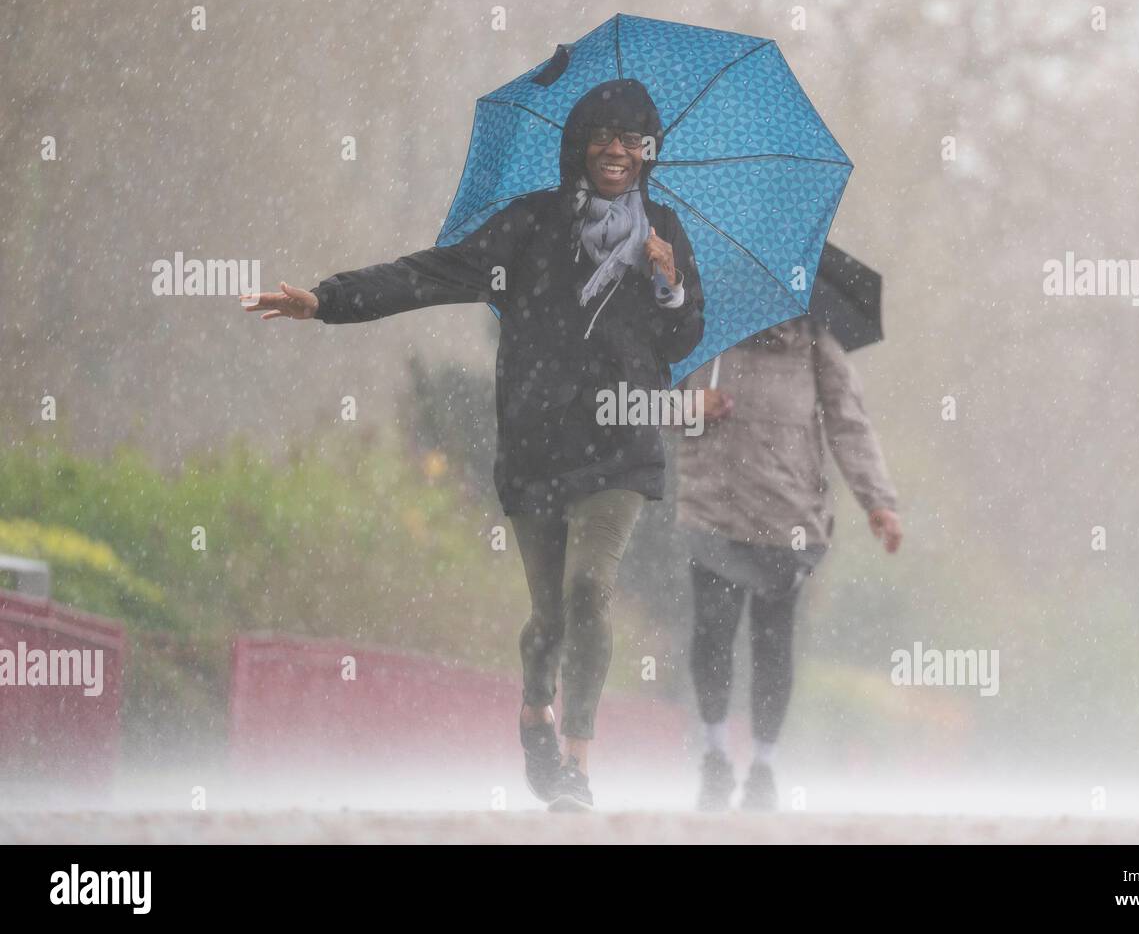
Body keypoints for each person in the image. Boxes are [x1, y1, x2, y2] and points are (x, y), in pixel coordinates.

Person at [240, 79, 704, 811]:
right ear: (579, 147)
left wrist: (670, 284)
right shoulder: (530, 225)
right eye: (602, 136)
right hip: (538, 447)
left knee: (590, 591)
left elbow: (682, 340)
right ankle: (534, 714)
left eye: (631, 139)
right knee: (549, 618)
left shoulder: (665, 232)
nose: (616, 150)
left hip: (624, 446)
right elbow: (434, 274)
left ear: (649, 152)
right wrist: (327, 300)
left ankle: (576, 764)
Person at [674, 316, 901, 811]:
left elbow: (848, 419)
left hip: (788, 517)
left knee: (772, 642)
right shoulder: (701, 322)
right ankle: (715, 756)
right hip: (713, 508)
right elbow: (642, 403)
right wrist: (688, 405)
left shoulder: (818, 335)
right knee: (712, 633)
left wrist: (877, 501)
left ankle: (763, 767)